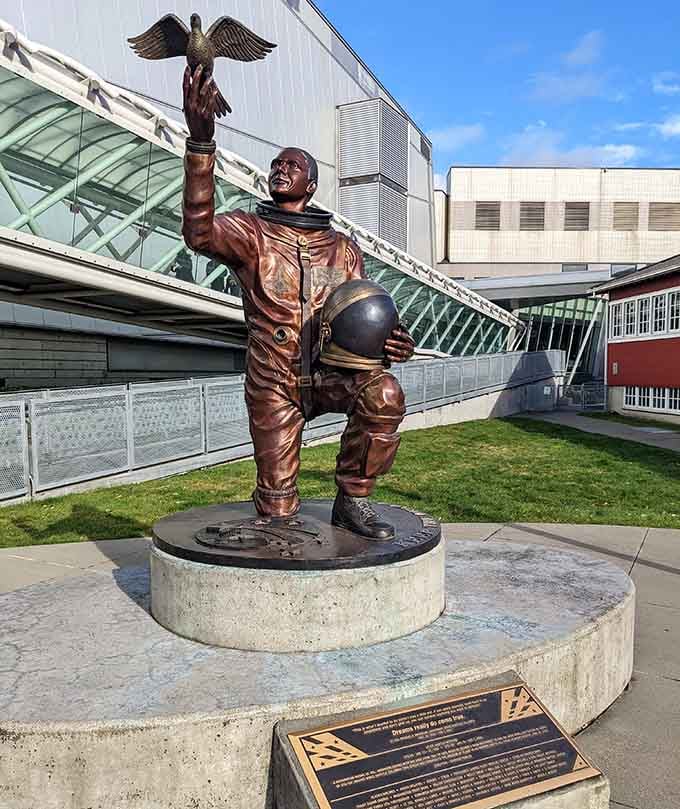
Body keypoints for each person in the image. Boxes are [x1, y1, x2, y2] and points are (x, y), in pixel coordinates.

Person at [182, 66, 415, 539]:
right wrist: (202, 143)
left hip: (334, 373)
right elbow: (199, 230)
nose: (280, 170)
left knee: (385, 393)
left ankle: (353, 500)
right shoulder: (250, 232)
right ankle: (276, 510)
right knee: (277, 513)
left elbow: (361, 311)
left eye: (292, 166)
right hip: (275, 379)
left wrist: (390, 341)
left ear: (311, 185)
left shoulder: (342, 248)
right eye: (276, 165)